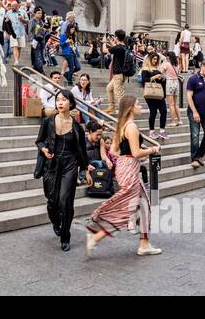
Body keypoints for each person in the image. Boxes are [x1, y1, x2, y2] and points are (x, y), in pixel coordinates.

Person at [85, 95, 163, 257]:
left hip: (123, 167)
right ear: (130, 108)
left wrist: (129, 152)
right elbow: (136, 153)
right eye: (137, 104)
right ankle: (96, 237)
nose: (140, 106)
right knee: (130, 209)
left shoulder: (122, 126)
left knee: (142, 206)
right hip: (130, 170)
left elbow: (114, 151)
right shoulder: (132, 127)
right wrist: (152, 150)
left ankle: (144, 243)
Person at [37, 90, 90, 251]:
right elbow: (39, 141)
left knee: (65, 200)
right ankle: (55, 221)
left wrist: (86, 170)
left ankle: (65, 235)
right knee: (52, 201)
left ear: (71, 103)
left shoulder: (77, 126)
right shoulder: (48, 122)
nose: (60, 102)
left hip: (70, 164)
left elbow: (82, 150)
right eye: (58, 100)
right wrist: (44, 149)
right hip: (52, 164)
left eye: (64, 100)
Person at [184, 59, 205, 169]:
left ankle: (199, 155)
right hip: (194, 112)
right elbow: (188, 96)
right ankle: (194, 159)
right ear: (202, 66)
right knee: (195, 136)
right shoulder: (193, 79)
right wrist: (194, 112)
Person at [140, 52, 167, 137]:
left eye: (157, 59)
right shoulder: (145, 69)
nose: (155, 61)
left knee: (164, 111)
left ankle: (162, 131)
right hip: (150, 94)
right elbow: (144, 81)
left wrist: (162, 78)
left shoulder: (157, 69)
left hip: (159, 93)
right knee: (153, 112)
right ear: (150, 59)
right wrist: (154, 77)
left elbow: (162, 83)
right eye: (154, 59)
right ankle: (152, 132)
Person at [105, 29, 129, 114]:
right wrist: (111, 42)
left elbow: (105, 51)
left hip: (118, 74)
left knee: (119, 94)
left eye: (114, 36)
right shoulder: (123, 47)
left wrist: (104, 42)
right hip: (120, 74)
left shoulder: (119, 48)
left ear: (116, 37)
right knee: (109, 88)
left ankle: (125, 112)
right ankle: (111, 107)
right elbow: (114, 48)